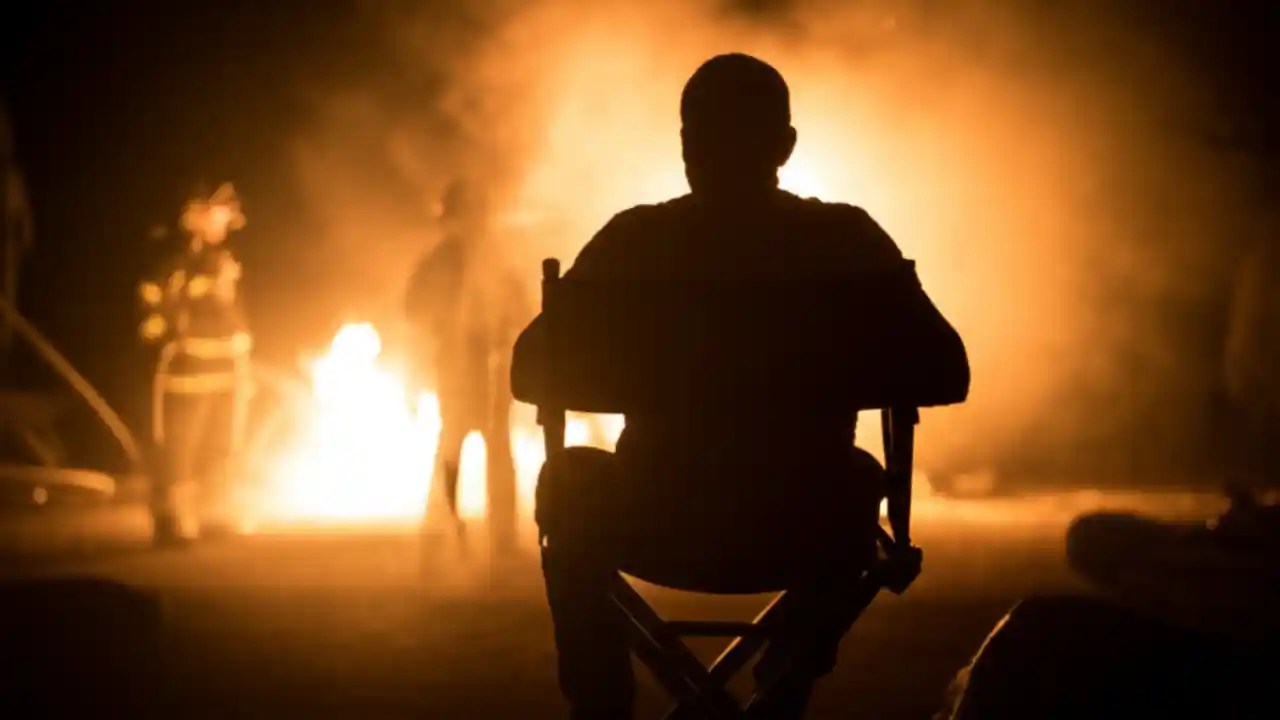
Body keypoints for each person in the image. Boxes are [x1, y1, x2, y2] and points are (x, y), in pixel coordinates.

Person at [512, 54, 966, 719]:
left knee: (568, 481)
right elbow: (945, 370)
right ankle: (782, 687)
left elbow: (531, 372)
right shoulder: (846, 240)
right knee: (857, 477)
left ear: (685, 144)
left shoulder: (633, 242)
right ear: (784, 145)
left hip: (648, 514)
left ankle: (601, 701)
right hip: (803, 521)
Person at [406, 179, 528, 551]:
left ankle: (503, 536)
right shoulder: (438, 262)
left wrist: (505, 329)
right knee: (452, 443)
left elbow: (522, 307)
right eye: (464, 213)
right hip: (455, 363)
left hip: (492, 365)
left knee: (497, 447)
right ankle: (444, 525)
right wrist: (443, 326)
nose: (472, 221)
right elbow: (413, 308)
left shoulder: (498, 260)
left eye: (476, 212)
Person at [139, 183, 252, 544]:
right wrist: (170, 326)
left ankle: (215, 515)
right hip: (186, 373)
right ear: (193, 215)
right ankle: (172, 519)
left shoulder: (223, 259)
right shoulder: (173, 261)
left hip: (225, 371)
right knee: (179, 448)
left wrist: (243, 340)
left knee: (219, 445)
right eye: (218, 211)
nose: (227, 219)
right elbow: (154, 312)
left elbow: (230, 309)